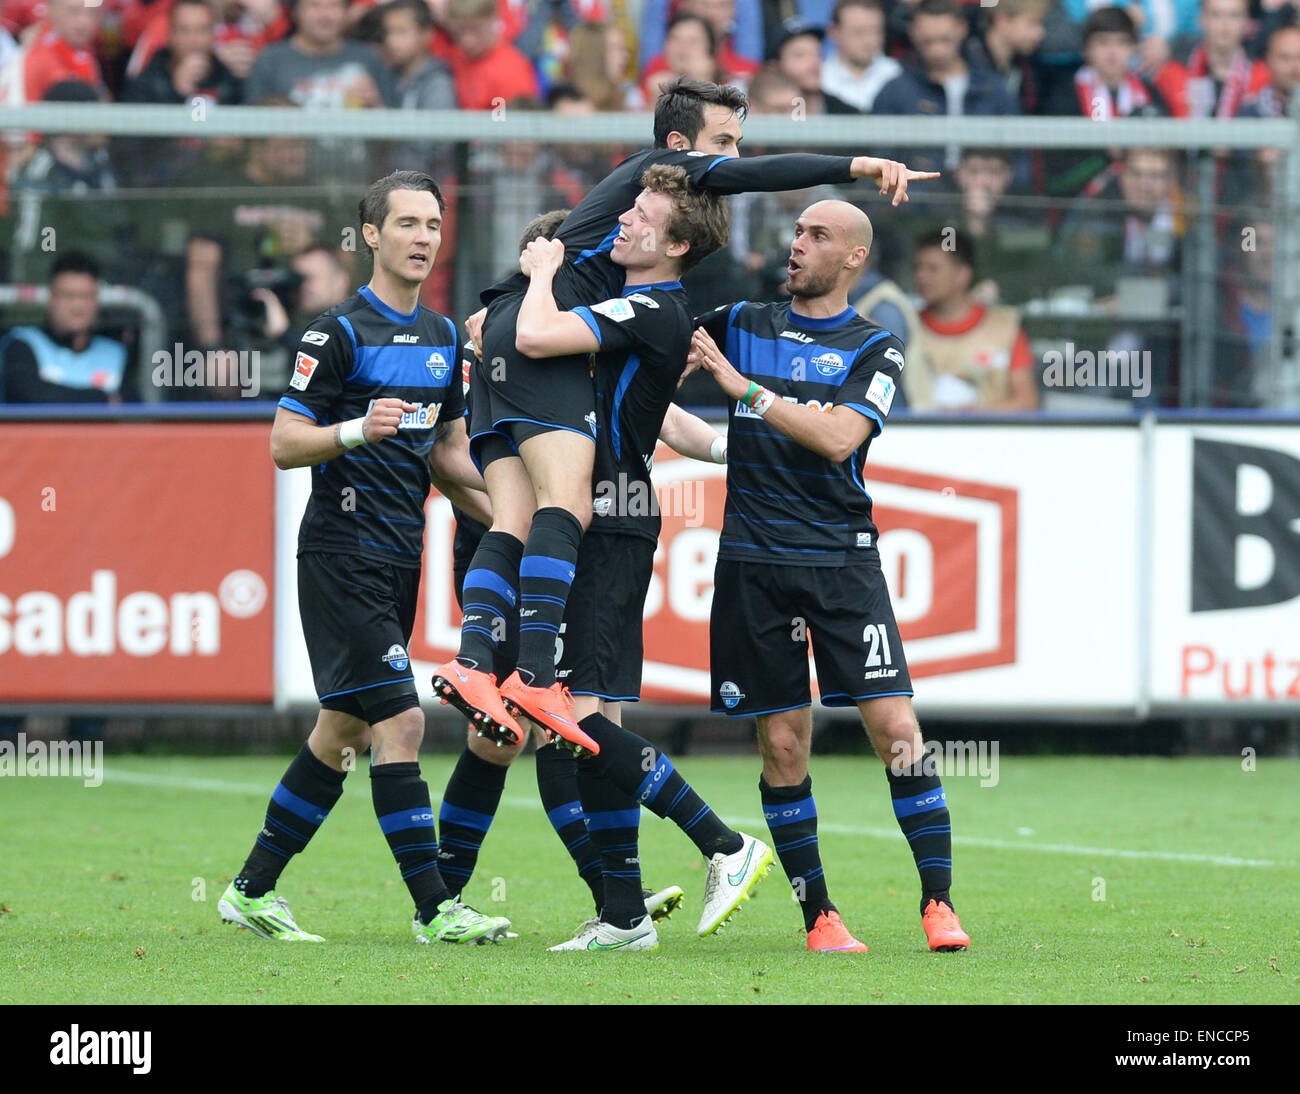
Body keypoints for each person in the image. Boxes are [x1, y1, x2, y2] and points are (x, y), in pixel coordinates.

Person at [431, 76, 935, 756]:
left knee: (517, 515)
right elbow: (759, 176)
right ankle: (533, 676)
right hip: (534, 335)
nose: (732, 155)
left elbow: (672, 421)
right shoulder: (654, 187)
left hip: (516, 339)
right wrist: (857, 165)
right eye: (723, 141)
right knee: (565, 506)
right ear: (680, 144)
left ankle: (473, 664)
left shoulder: (631, 256)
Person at [217, 171, 512, 945]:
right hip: (340, 552)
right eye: (408, 224)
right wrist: (355, 429)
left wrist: (522, 524)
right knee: (402, 722)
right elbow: (284, 443)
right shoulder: (337, 332)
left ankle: (251, 891)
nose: (423, 238)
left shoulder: (448, 339)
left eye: (434, 225)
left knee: (341, 731)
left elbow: (448, 458)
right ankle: (435, 908)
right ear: (371, 236)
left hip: (401, 555)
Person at [687, 199, 972, 954]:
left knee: (898, 730)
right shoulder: (740, 322)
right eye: (797, 233)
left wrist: (742, 390)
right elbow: (649, 337)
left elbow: (839, 437)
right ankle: (820, 917)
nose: (797, 246)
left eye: (817, 236)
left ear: (853, 257)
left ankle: (938, 904)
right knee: (782, 746)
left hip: (843, 560)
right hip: (752, 561)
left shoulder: (875, 344)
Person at [505, 164, 775, 950]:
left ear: (678, 243)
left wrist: (544, 270)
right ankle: (624, 915)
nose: (623, 220)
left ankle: (724, 843)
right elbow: (649, 417)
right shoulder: (646, 310)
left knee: (575, 718)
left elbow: (532, 334)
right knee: (587, 724)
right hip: (613, 521)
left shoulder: (653, 305)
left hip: (607, 527)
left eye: (644, 216)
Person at [435, 208, 724, 931]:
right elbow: (446, 455)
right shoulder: (503, 335)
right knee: (505, 731)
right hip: (514, 554)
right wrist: (523, 505)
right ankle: (442, 899)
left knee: (569, 721)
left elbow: (667, 423)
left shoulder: (589, 340)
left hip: (576, 546)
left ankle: (617, 900)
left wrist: (746, 442)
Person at [912, 227, 1038, 411]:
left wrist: (967, 416)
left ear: (962, 275)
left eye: (932, 269)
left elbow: (1027, 403)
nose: (921, 276)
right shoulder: (905, 327)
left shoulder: (1004, 329)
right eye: (918, 268)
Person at [0, 251, 130, 404]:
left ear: (97, 301)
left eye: (86, 296)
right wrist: (104, 399)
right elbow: (30, 395)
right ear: (51, 300)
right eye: (68, 296)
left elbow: (135, 404)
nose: (77, 306)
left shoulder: (114, 353)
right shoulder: (22, 345)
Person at [244, 0, 393, 108]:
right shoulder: (270, 59)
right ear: (295, 12)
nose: (325, 16)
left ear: (346, 12)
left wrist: (375, 105)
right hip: (291, 151)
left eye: (334, 6)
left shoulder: (368, 58)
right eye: (314, 5)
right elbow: (254, 125)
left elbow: (392, 125)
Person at [820, 0, 901, 113]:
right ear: (834, 32)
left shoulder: (898, 75)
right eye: (859, 32)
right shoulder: (819, 81)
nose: (870, 41)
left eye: (876, 31)